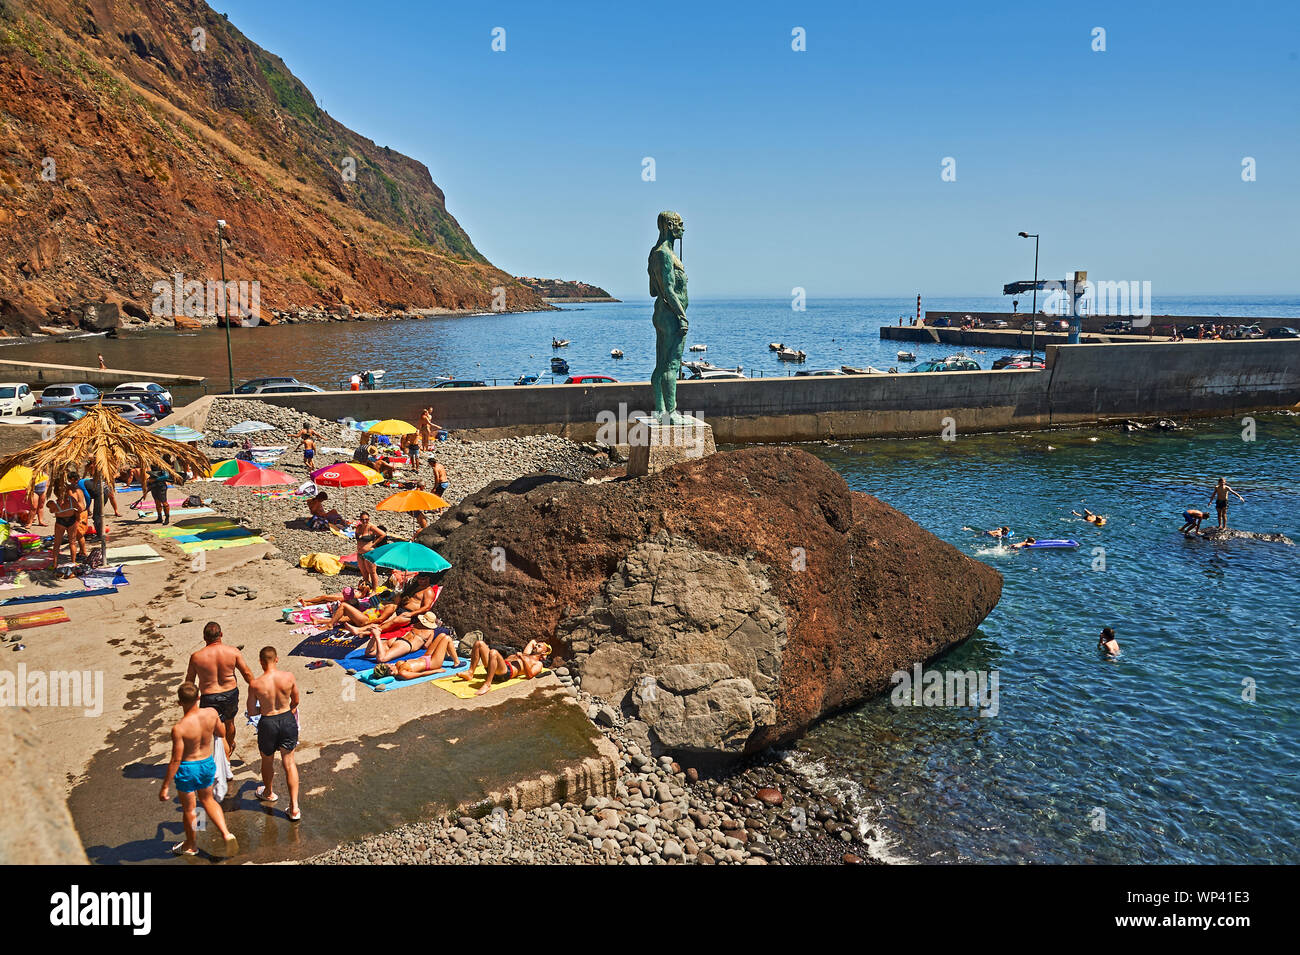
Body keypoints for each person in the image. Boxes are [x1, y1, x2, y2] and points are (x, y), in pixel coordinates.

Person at [159, 682, 238, 857]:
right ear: (199, 698)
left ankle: (191, 845)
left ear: (179, 703)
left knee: (190, 809)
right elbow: (221, 733)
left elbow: (176, 759)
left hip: (188, 768)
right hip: (207, 764)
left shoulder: (179, 728)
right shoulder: (211, 713)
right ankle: (226, 833)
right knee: (208, 800)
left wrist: (165, 786)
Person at [185, 622, 254, 762]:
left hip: (209, 696)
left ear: (204, 637)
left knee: (217, 732)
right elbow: (246, 673)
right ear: (221, 635)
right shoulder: (233, 651)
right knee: (229, 723)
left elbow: (189, 682)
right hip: (230, 693)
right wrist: (257, 688)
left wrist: (188, 703)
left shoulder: (196, 657)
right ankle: (228, 751)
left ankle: (225, 757)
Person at [246, 646, 301, 821]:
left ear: (261, 662)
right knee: (289, 763)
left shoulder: (255, 684)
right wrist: (288, 710)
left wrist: (264, 708)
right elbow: (296, 700)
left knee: (267, 760)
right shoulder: (289, 677)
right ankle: (294, 807)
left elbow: (252, 712)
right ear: (276, 659)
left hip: (268, 723)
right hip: (287, 719)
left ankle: (269, 793)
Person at [342, 573, 437, 637]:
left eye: (423, 579)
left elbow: (427, 607)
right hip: (401, 609)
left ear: (428, 579)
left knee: (392, 622)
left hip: (411, 615)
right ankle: (360, 628)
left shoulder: (428, 591)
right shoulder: (416, 586)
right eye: (419, 578)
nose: (421, 581)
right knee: (382, 619)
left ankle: (365, 632)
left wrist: (411, 614)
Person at [459, 638, 550, 696]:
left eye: (539, 646)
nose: (536, 646)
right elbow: (532, 641)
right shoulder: (526, 653)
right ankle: (470, 673)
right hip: (495, 667)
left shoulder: (538, 664)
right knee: (479, 643)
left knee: (493, 652)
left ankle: (487, 684)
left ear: (543, 652)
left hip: (505, 672)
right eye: (536, 645)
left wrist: (522, 657)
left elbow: (530, 675)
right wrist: (538, 647)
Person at [48, 493, 87, 569]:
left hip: (60, 522)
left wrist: (50, 505)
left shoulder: (54, 503)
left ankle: (55, 563)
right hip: (71, 521)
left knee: (57, 543)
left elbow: (51, 511)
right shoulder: (72, 500)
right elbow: (80, 509)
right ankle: (73, 562)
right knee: (72, 542)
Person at [354, 512, 386, 591]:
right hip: (360, 553)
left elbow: (383, 534)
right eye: (362, 519)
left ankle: (374, 590)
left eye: (366, 519)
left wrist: (374, 544)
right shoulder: (358, 527)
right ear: (360, 520)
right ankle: (366, 588)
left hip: (369, 553)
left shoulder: (371, 527)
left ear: (369, 519)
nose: (364, 521)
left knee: (372, 572)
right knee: (364, 573)